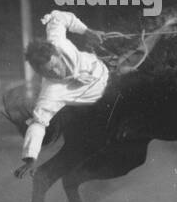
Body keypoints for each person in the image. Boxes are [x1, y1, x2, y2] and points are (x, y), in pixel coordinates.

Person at [13, 10, 108, 178]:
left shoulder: (57, 41)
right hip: (103, 98)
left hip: (102, 64)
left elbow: (58, 17)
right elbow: (38, 124)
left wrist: (87, 31)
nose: (56, 73)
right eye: (48, 72)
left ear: (56, 52)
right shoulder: (51, 92)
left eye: (55, 66)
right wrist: (30, 158)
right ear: (38, 71)